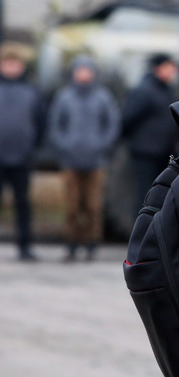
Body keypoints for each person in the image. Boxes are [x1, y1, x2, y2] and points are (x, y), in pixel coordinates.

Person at [47, 57, 120, 261]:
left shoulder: (103, 97)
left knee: (93, 205)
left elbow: (112, 125)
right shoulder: (64, 97)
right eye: (80, 71)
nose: (83, 74)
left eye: (87, 71)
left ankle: (91, 243)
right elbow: (55, 125)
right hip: (70, 161)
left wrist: (102, 147)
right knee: (72, 205)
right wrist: (64, 147)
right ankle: (71, 243)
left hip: (96, 162)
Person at [122, 53, 179, 217]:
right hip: (146, 154)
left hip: (164, 152)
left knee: (159, 196)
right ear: (158, 68)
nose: (173, 72)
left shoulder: (167, 90)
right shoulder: (144, 90)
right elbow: (127, 119)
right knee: (144, 196)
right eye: (169, 67)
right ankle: (140, 235)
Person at [0, 43, 43, 261]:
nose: (11, 67)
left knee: (22, 205)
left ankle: (25, 246)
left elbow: (40, 123)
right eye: (7, 63)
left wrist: (31, 148)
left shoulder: (31, 91)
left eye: (15, 63)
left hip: (22, 157)